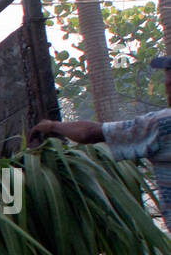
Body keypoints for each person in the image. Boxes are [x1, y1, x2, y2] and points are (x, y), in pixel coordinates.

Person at [29, 56, 171, 224]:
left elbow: (90, 133)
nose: (165, 84)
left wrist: (52, 126)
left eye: (167, 76)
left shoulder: (161, 125)